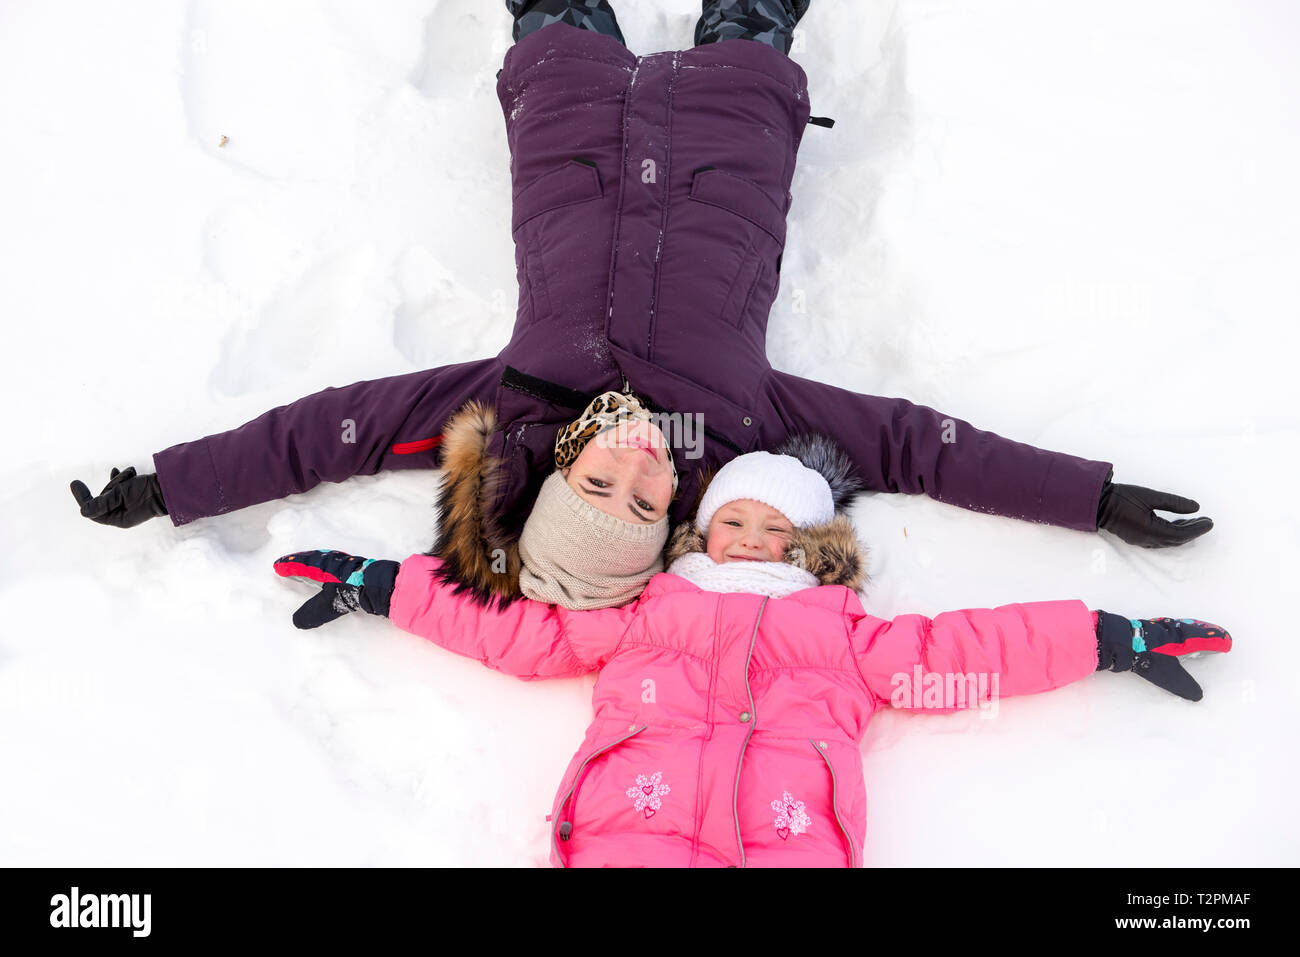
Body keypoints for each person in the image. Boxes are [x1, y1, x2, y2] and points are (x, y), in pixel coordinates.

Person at [72, 1, 1213, 606]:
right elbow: (919, 446)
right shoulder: (747, 427)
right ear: (679, 507)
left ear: (557, 470)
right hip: (727, 144)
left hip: (568, 134)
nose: (625, 458)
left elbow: (330, 431)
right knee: (752, 24)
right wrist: (1092, 497)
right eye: (642, 488)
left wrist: (175, 485)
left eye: (591, 479)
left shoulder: (506, 406)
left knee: (555, 16)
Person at [272, 430, 1233, 867]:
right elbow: (521, 634)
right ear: (703, 529)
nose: (752, 540)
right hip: (629, 825)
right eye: (734, 519)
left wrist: (1104, 636)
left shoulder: (845, 634)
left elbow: (962, 652)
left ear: (810, 548)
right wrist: (385, 585)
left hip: (785, 836)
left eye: (777, 530)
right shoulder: (646, 605)